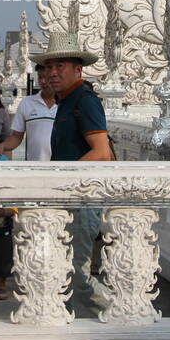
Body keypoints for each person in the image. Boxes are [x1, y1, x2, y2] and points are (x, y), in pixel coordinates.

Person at [30, 18, 113, 294]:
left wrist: (64, 176)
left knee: (76, 275)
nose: (52, 73)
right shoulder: (66, 102)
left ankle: (95, 321)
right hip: (68, 198)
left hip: (82, 199)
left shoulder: (84, 101)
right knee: (59, 270)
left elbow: (101, 153)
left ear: (78, 69)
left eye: (60, 66)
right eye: (49, 67)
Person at [0, 64, 56, 161]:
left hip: (62, 167)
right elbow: (17, 136)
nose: (43, 81)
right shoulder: (27, 103)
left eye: (46, 77)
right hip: (35, 166)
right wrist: (2, 146)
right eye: (40, 77)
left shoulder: (68, 103)